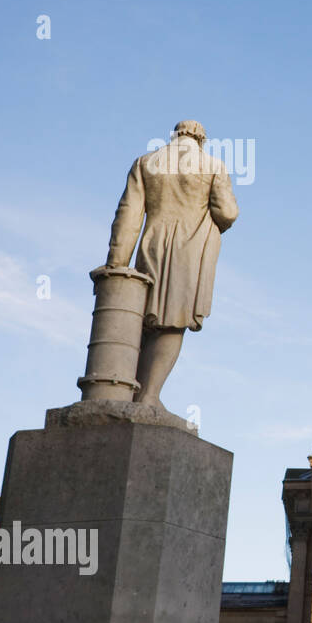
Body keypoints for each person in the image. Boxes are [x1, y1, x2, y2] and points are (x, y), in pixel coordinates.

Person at [106, 120, 238, 411]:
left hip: (152, 245)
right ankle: (150, 394)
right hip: (190, 252)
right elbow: (227, 212)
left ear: (175, 135)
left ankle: (128, 388)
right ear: (201, 139)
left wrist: (117, 264)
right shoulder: (212, 166)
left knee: (141, 319)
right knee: (174, 322)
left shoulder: (146, 162)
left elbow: (127, 216)